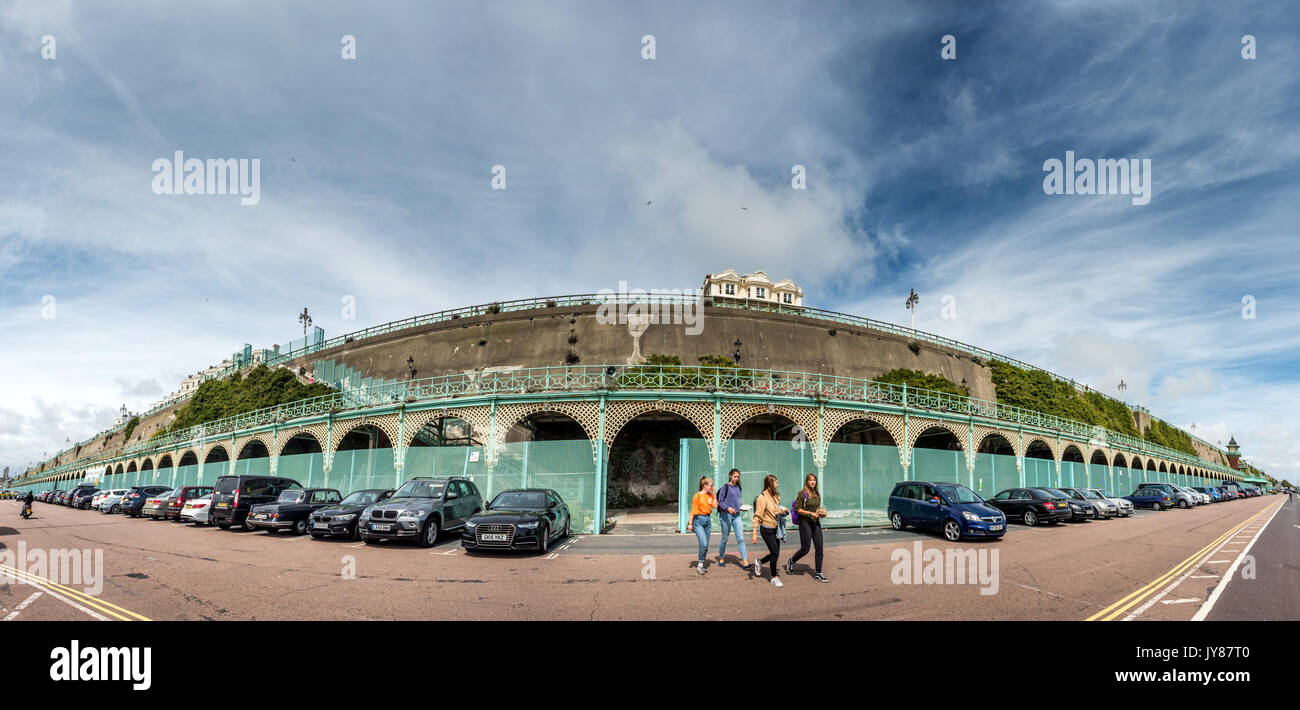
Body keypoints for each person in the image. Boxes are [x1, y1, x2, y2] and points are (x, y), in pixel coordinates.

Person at [785, 474, 828, 582]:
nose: (812, 482)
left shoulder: (817, 493)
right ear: (807, 482)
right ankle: (792, 560)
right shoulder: (802, 493)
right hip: (804, 523)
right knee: (805, 549)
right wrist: (811, 513)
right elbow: (797, 509)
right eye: (810, 480)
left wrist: (820, 512)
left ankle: (818, 572)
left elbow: (816, 508)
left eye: (814, 480)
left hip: (815, 523)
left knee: (820, 548)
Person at [751, 475, 788, 587]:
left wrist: (783, 510)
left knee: (774, 553)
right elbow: (757, 515)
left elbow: (776, 510)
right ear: (770, 484)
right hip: (766, 529)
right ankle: (773, 578)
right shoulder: (761, 498)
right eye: (776, 482)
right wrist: (754, 533)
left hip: (776, 528)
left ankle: (759, 562)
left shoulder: (775, 496)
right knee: (775, 552)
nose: (778, 484)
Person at [715, 469, 753, 571]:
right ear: (730, 476)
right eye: (735, 476)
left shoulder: (738, 487)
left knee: (740, 538)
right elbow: (720, 502)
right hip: (725, 516)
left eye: (738, 476)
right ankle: (721, 558)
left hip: (737, 516)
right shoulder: (725, 487)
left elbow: (737, 502)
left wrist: (742, 507)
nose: (737, 478)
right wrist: (728, 508)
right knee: (725, 538)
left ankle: (745, 562)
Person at [689, 477, 717, 575]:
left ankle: (701, 564)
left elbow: (715, 506)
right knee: (704, 543)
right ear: (705, 486)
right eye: (711, 485)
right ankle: (700, 565)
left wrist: (714, 494)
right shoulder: (697, 495)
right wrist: (690, 523)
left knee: (706, 545)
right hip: (698, 521)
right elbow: (693, 510)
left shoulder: (710, 496)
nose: (712, 486)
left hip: (708, 520)